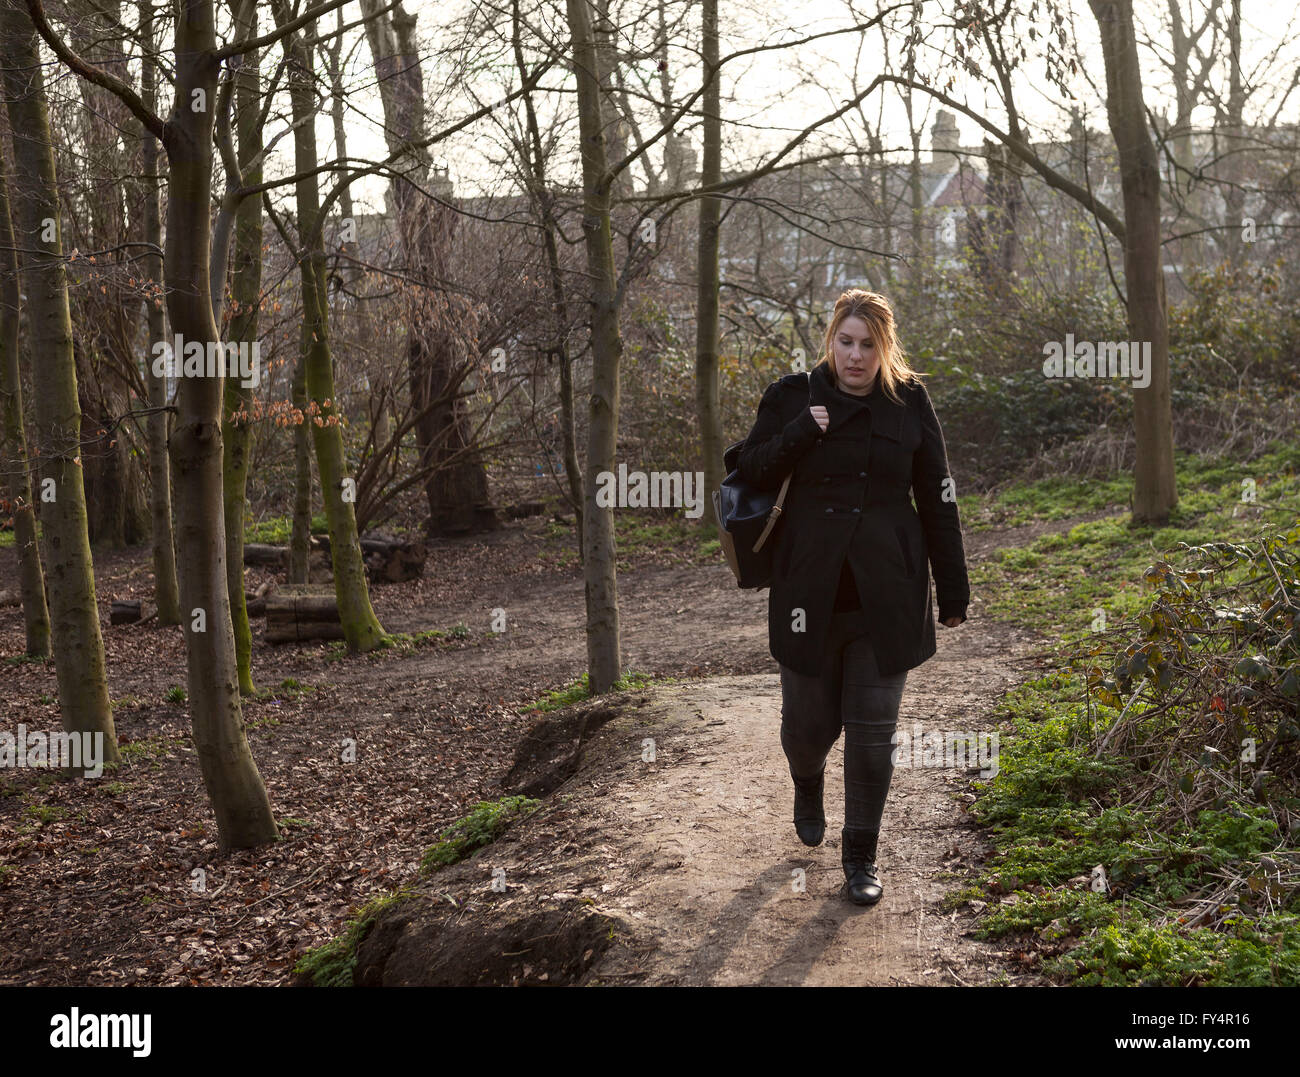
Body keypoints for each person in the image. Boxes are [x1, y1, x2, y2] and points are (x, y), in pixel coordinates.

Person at [737, 289, 970, 906]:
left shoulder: (909, 401)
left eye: (869, 344)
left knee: (872, 736)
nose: (856, 356)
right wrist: (795, 436)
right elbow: (748, 472)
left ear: (885, 347)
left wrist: (953, 586)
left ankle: (861, 856)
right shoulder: (793, 395)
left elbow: (938, 496)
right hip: (806, 593)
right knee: (807, 728)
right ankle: (805, 780)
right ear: (830, 340)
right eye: (846, 341)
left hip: (887, 594)